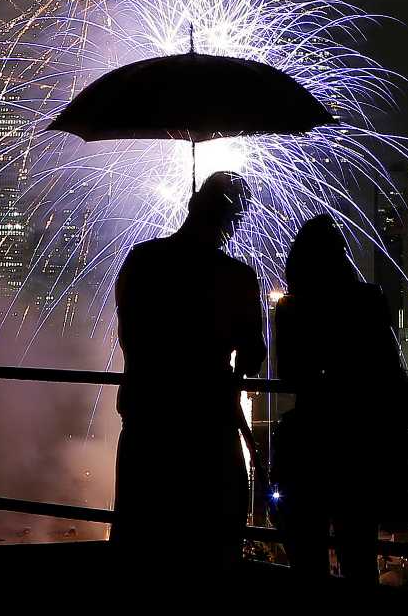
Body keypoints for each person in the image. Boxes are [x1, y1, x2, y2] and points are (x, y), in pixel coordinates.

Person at [112, 170, 265, 560]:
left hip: (145, 426)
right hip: (209, 432)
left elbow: (129, 338)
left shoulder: (141, 261)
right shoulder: (238, 277)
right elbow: (253, 356)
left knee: (139, 542)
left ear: (193, 206)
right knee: (213, 547)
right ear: (235, 220)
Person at [271, 214, 408, 586]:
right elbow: (387, 367)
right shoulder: (369, 299)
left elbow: (289, 374)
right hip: (358, 440)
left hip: (309, 440)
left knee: (306, 555)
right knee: (359, 553)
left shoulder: (290, 307)